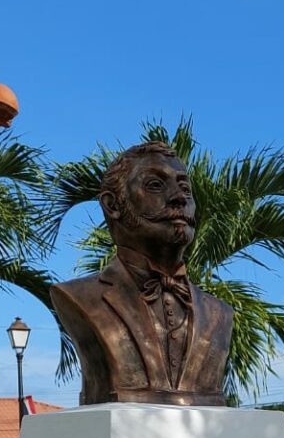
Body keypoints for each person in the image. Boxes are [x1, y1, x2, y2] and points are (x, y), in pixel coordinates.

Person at [50, 142, 234, 406]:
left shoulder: (219, 313)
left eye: (185, 188)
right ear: (112, 205)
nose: (179, 197)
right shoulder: (80, 297)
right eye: (156, 186)